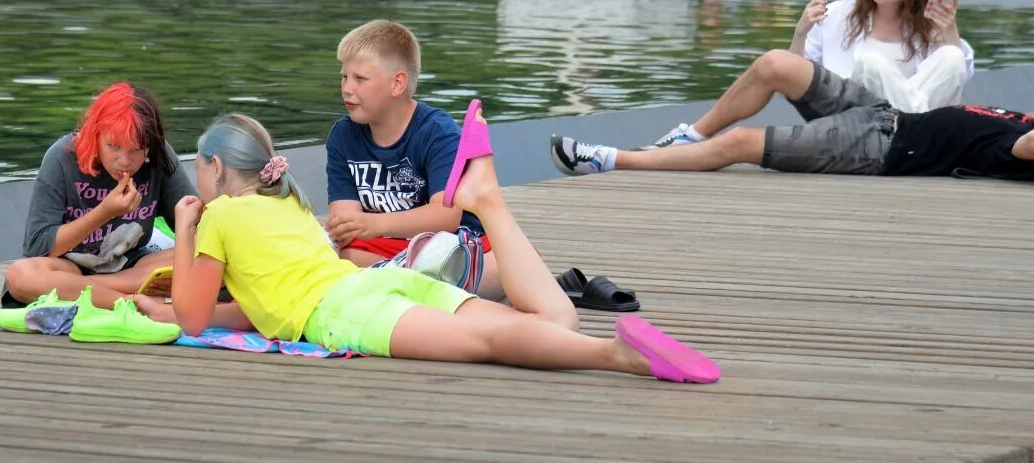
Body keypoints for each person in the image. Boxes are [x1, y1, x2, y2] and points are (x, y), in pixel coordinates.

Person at [156, 109, 720, 383]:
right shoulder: (288, 200)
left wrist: (184, 231)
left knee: (489, 342)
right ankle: (489, 200)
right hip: (376, 285)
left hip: (350, 311)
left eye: (198, 169)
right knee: (553, 323)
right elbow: (262, 306)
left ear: (217, 167)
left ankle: (618, 356)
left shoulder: (220, 215)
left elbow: (195, 317)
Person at [551, 56, 1034, 184]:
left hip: (878, 148)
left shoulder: (1031, 141)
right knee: (778, 65)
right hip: (884, 115)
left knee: (745, 143)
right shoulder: (1026, 119)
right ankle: (688, 135)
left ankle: (607, 159)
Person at [323, 20, 501, 296]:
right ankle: (426, 291)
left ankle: (410, 288)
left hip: (451, 247)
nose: (347, 88)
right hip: (386, 247)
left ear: (397, 83)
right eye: (344, 77)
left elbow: (446, 215)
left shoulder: (437, 132)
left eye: (360, 79)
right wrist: (345, 226)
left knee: (501, 268)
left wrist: (375, 224)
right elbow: (344, 216)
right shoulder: (343, 136)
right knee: (342, 256)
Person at [1, 82, 196, 308]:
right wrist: (104, 213)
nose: (125, 160)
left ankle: (83, 291)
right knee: (21, 275)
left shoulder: (159, 156)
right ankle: (132, 303)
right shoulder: (61, 157)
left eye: (136, 149)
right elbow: (37, 247)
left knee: (208, 252)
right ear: (95, 135)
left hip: (128, 265)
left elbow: (198, 227)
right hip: (69, 265)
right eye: (114, 146)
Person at [790, 0, 974, 113]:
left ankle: (906, 125)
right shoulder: (838, 14)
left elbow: (953, 80)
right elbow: (794, 75)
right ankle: (910, 124)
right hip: (858, 121)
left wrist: (950, 32)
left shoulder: (928, 26)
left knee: (953, 55)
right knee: (871, 63)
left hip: (909, 127)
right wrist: (800, 33)